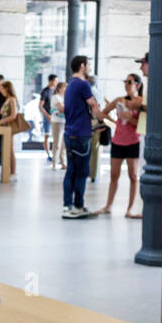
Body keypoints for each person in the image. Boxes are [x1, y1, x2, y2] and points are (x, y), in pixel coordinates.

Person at [62, 55, 103, 218]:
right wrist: (100, 119)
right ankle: (77, 206)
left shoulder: (70, 85)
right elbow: (93, 104)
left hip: (71, 132)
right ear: (82, 66)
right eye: (88, 65)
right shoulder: (83, 84)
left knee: (71, 170)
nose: (90, 68)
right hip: (81, 134)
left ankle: (68, 205)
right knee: (81, 171)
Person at [98, 74, 143, 217]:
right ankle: (108, 205)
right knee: (114, 175)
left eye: (129, 82)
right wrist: (114, 121)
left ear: (137, 85)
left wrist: (129, 118)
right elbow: (103, 113)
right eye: (125, 81)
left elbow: (143, 125)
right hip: (117, 141)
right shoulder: (119, 100)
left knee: (133, 176)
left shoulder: (140, 102)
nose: (126, 84)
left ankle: (129, 209)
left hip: (133, 142)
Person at [0, 80, 23, 178]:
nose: (0, 90)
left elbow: (13, 115)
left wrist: (1, 122)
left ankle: (13, 172)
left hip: (8, 126)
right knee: (7, 149)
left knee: (10, 150)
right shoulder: (8, 99)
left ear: (6, 88)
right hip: (5, 126)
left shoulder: (12, 99)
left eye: (1, 88)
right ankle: (8, 171)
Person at [38, 73, 57, 153]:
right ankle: (48, 154)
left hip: (55, 116)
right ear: (51, 81)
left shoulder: (54, 91)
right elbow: (40, 106)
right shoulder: (45, 91)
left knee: (56, 136)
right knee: (47, 135)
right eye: (56, 80)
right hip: (47, 117)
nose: (57, 82)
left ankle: (55, 155)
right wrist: (47, 116)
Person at [49, 80, 66, 169]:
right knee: (57, 143)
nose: (66, 89)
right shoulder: (56, 97)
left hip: (64, 122)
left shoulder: (65, 97)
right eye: (64, 87)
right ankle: (54, 163)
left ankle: (63, 163)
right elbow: (62, 109)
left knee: (63, 144)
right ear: (59, 88)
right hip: (57, 122)